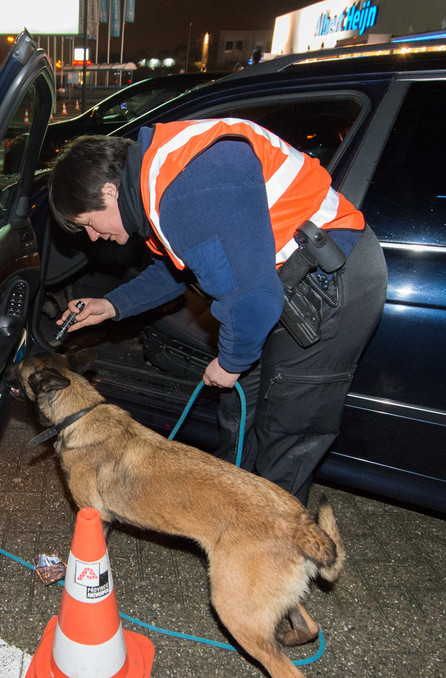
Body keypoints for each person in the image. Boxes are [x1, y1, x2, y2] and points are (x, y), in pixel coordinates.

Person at [47, 119, 388, 506]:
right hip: (288, 283)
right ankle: (228, 512)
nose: (93, 236)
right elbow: (179, 268)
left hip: (332, 278)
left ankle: (274, 537)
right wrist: (111, 305)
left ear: (108, 191)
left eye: (88, 223)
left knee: (284, 434)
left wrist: (230, 362)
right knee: (239, 412)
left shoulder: (187, 189)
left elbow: (254, 299)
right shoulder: (159, 183)